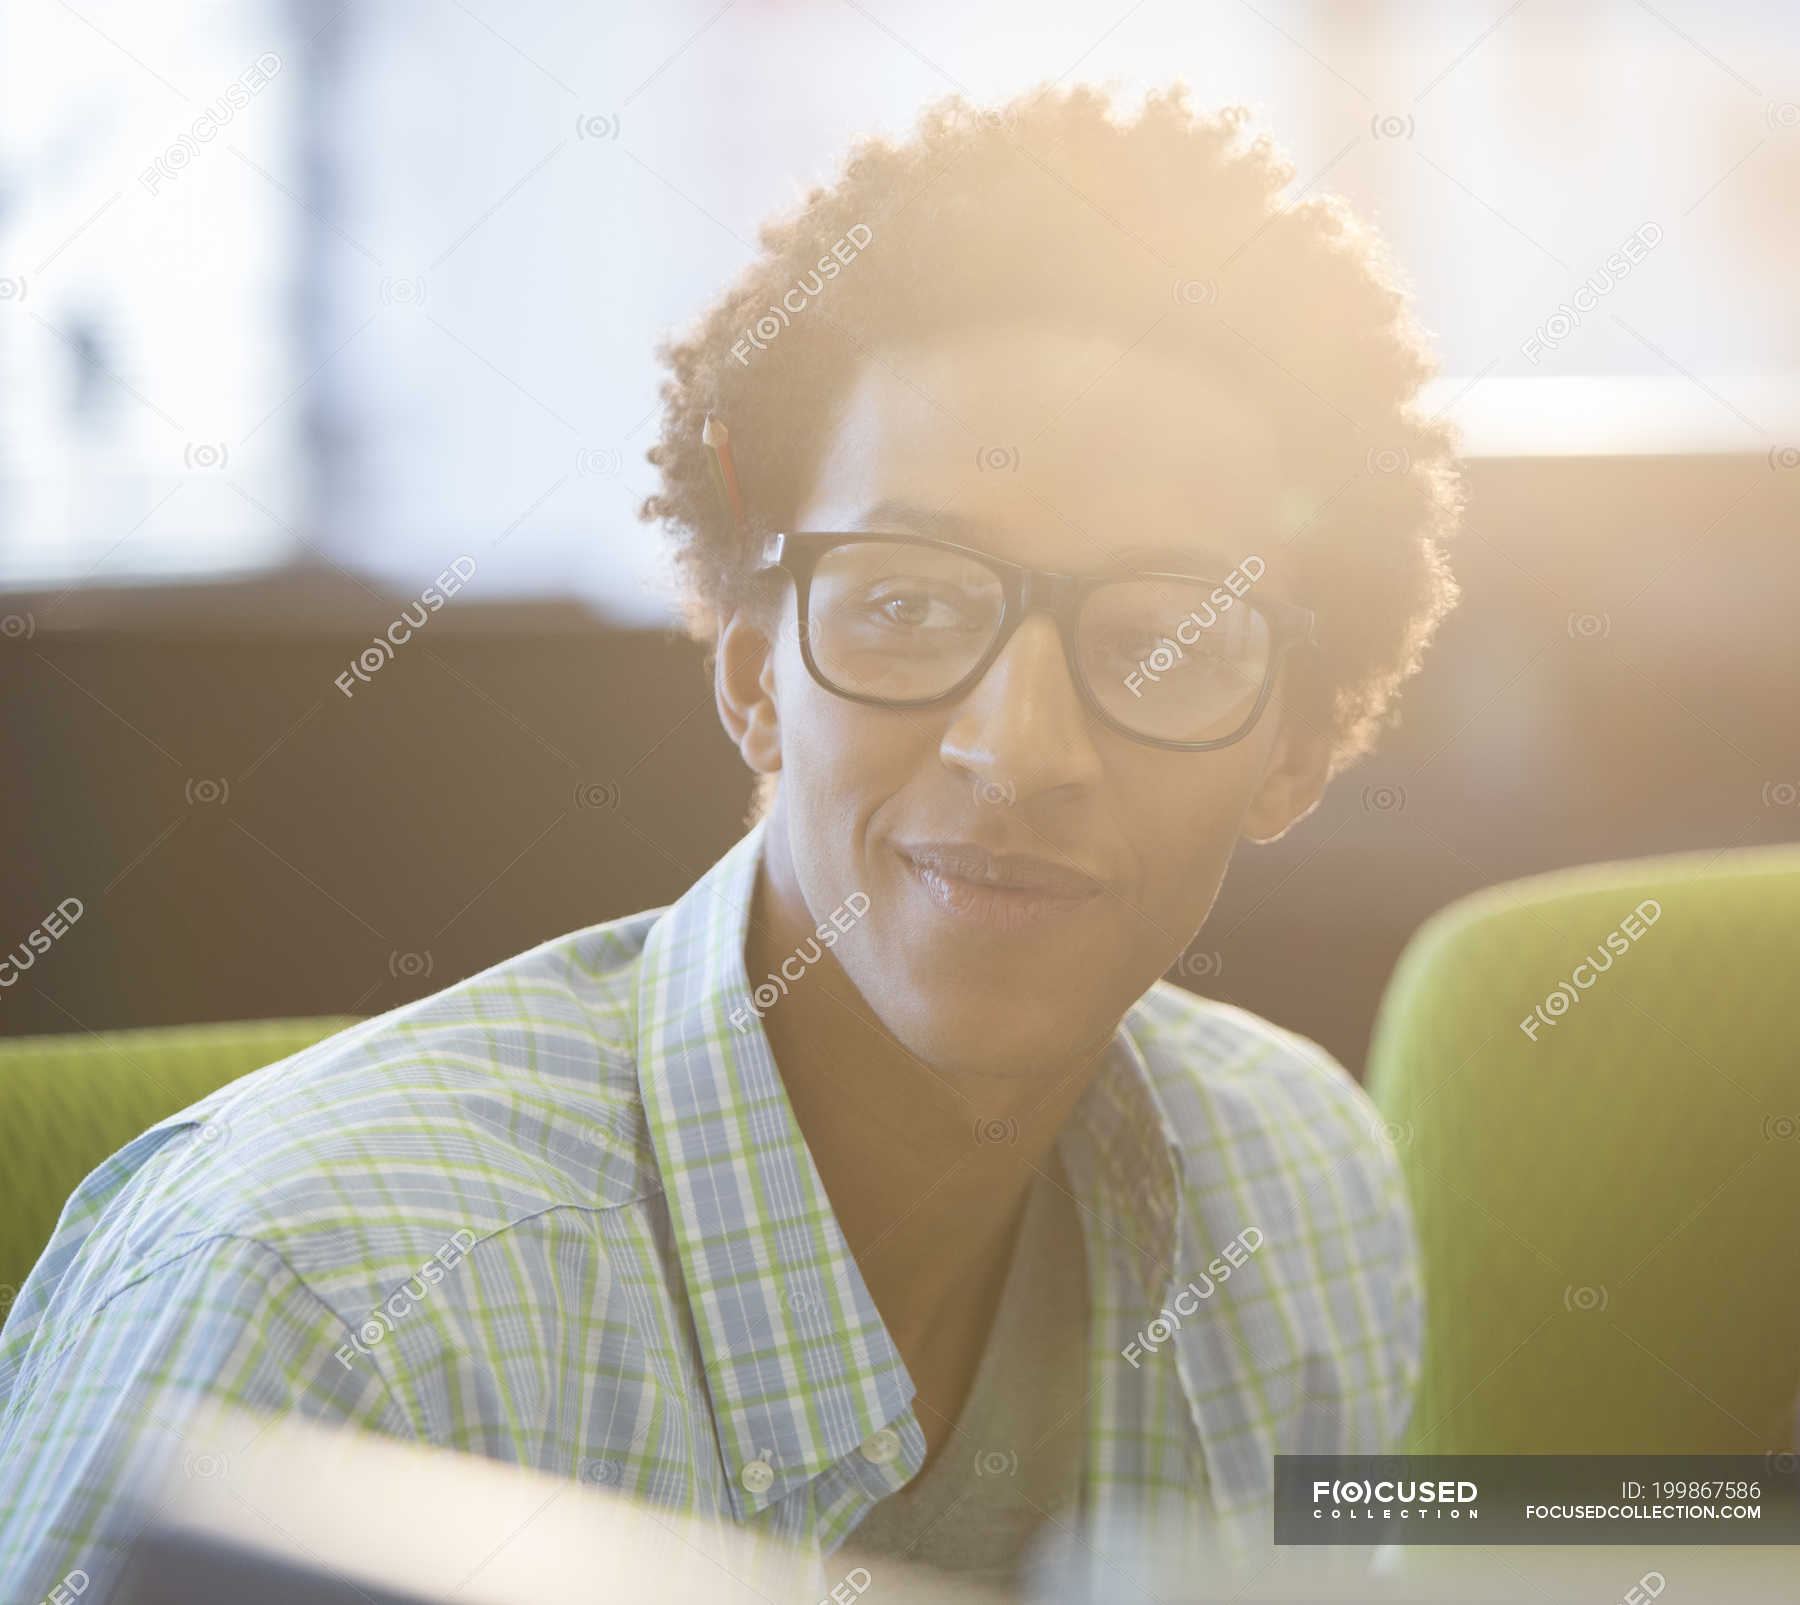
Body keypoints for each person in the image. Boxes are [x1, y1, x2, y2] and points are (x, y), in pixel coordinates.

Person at [0, 82, 1461, 1601]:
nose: (1017, 751)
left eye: (1165, 639)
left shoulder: (1302, 1197)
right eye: (903, 605)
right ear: (755, 675)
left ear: (1301, 743)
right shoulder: (333, 1311)